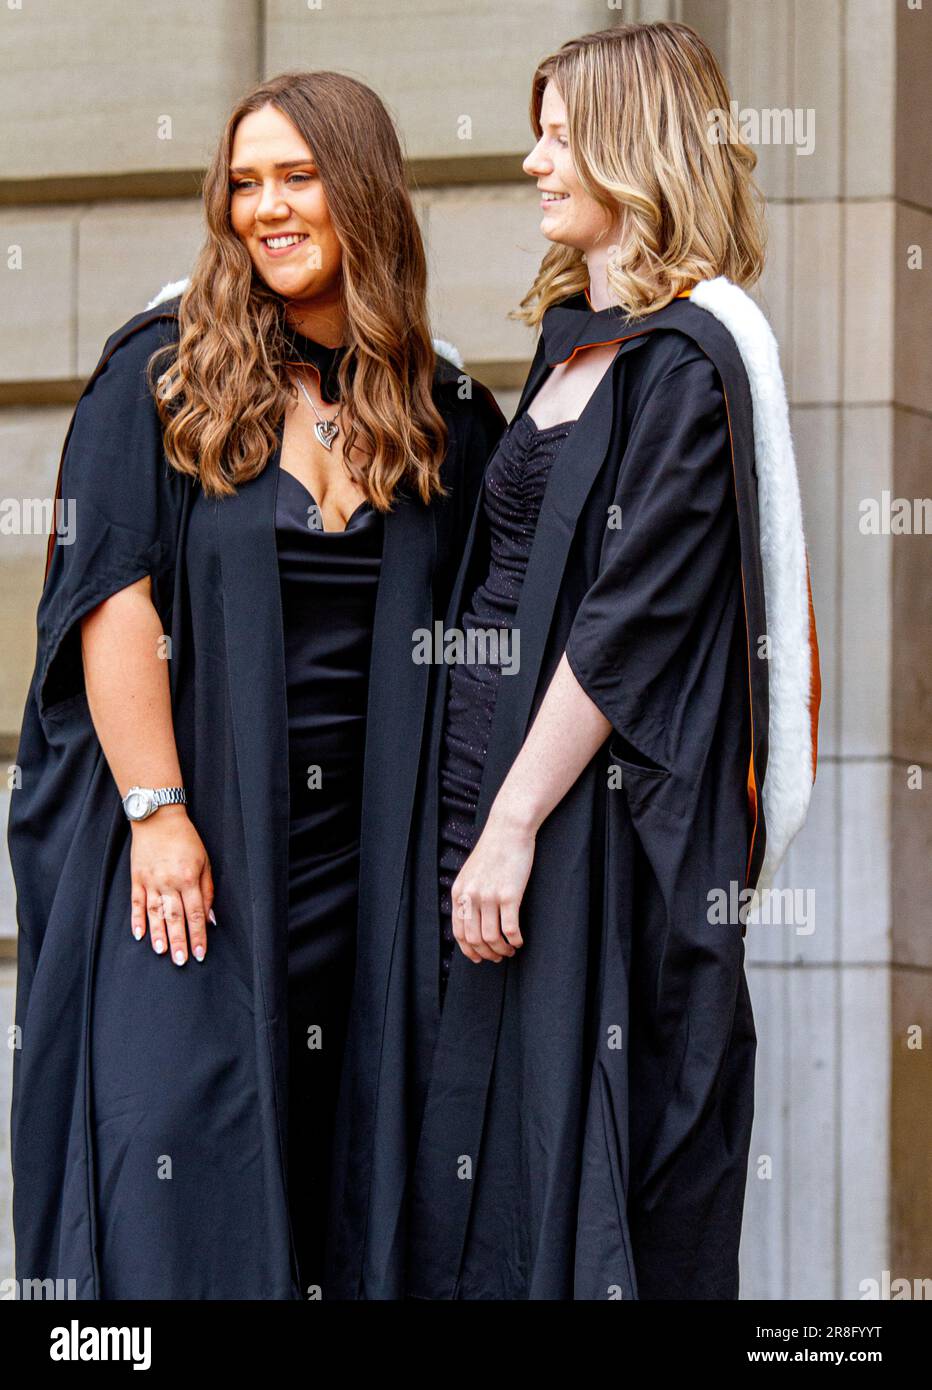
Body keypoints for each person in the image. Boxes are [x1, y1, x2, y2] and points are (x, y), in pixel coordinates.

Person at [328, 23, 821, 1300]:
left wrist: (510, 823)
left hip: (574, 822)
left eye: (561, 132)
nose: (535, 158)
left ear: (633, 146)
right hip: (469, 796)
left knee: (566, 1139)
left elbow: (627, 626)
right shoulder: (564, 344)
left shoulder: (689, 364)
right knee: (459, 1138)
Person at [7, 70, 503, 1300]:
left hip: (371, 877)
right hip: (198, 855)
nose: (266, 208)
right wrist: (155, 812)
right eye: (243, 182)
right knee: (175, 1161)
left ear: (364, 193)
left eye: (298, 177)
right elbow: (106, 596)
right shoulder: (165, 376)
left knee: (351, 1180)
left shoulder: (442, 411)